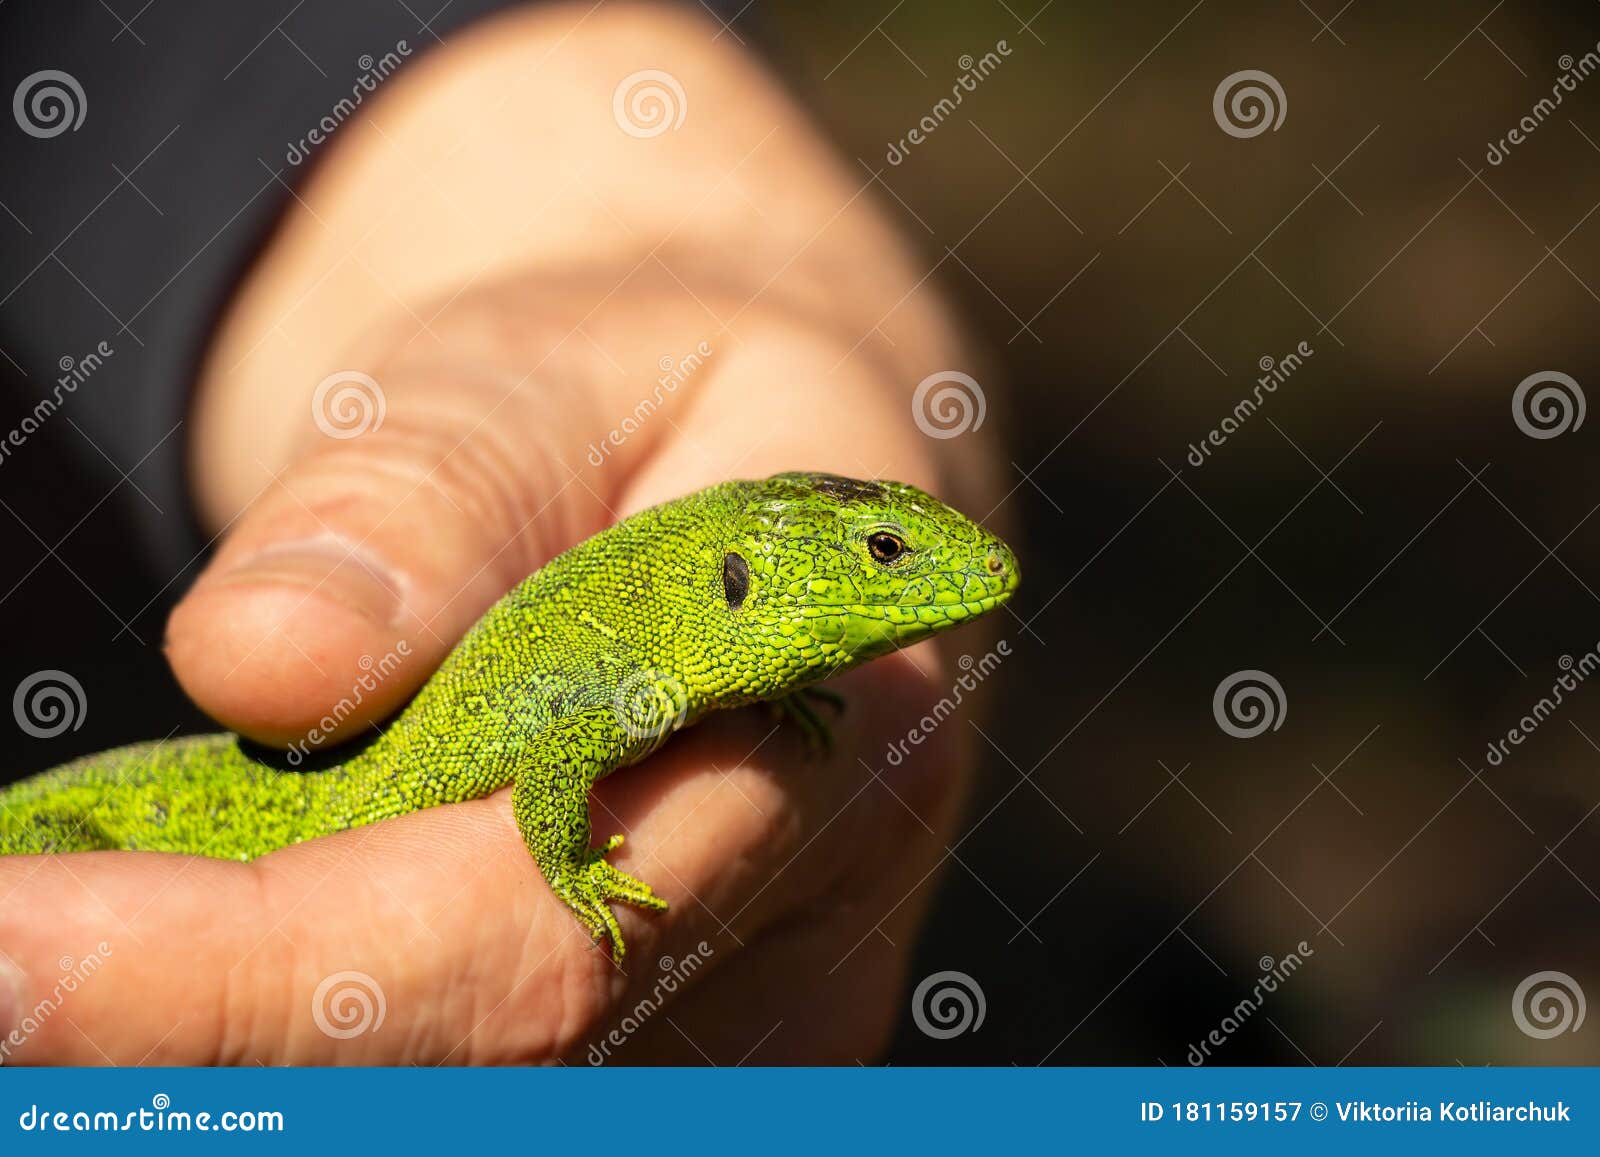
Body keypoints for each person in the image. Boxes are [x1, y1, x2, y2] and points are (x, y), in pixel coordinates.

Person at [0, 2, 1002, 1063]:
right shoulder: (648, 668)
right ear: (752, 575)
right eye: (881, 554)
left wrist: (784, 283)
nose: (955, 568)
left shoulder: (697, 639)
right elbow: (564, 750)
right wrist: (568, 874)